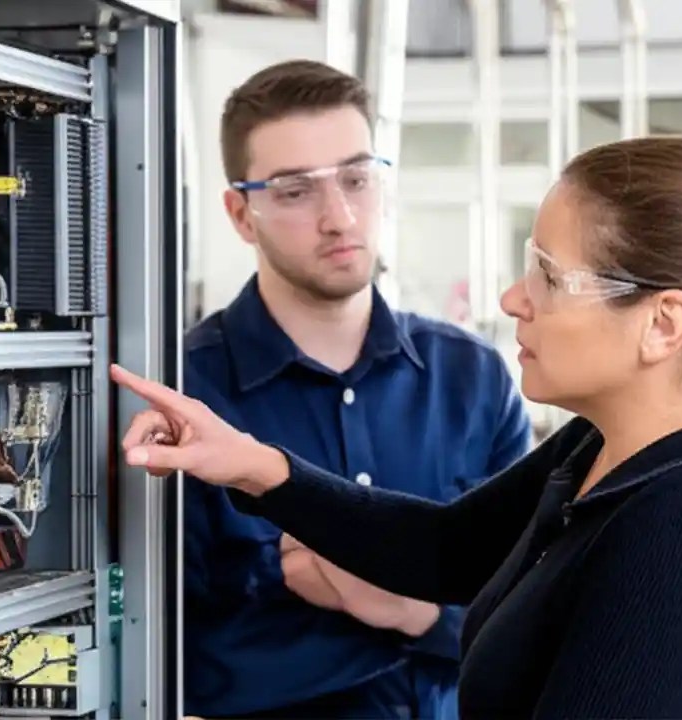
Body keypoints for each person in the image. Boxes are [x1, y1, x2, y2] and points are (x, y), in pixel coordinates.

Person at [113, 134, 682, 718]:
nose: (511, 298)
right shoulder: (612, 443)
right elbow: (449, 550)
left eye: (549, 277)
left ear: (664, 324)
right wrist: (250, 463)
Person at [177, 60, 531, 719]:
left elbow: (533, 619)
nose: (339, 216)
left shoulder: (473, 379)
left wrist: (412, 610)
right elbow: (162, 651)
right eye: (294, 192)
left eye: (356, 178)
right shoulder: (189, 396)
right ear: (240, 213)